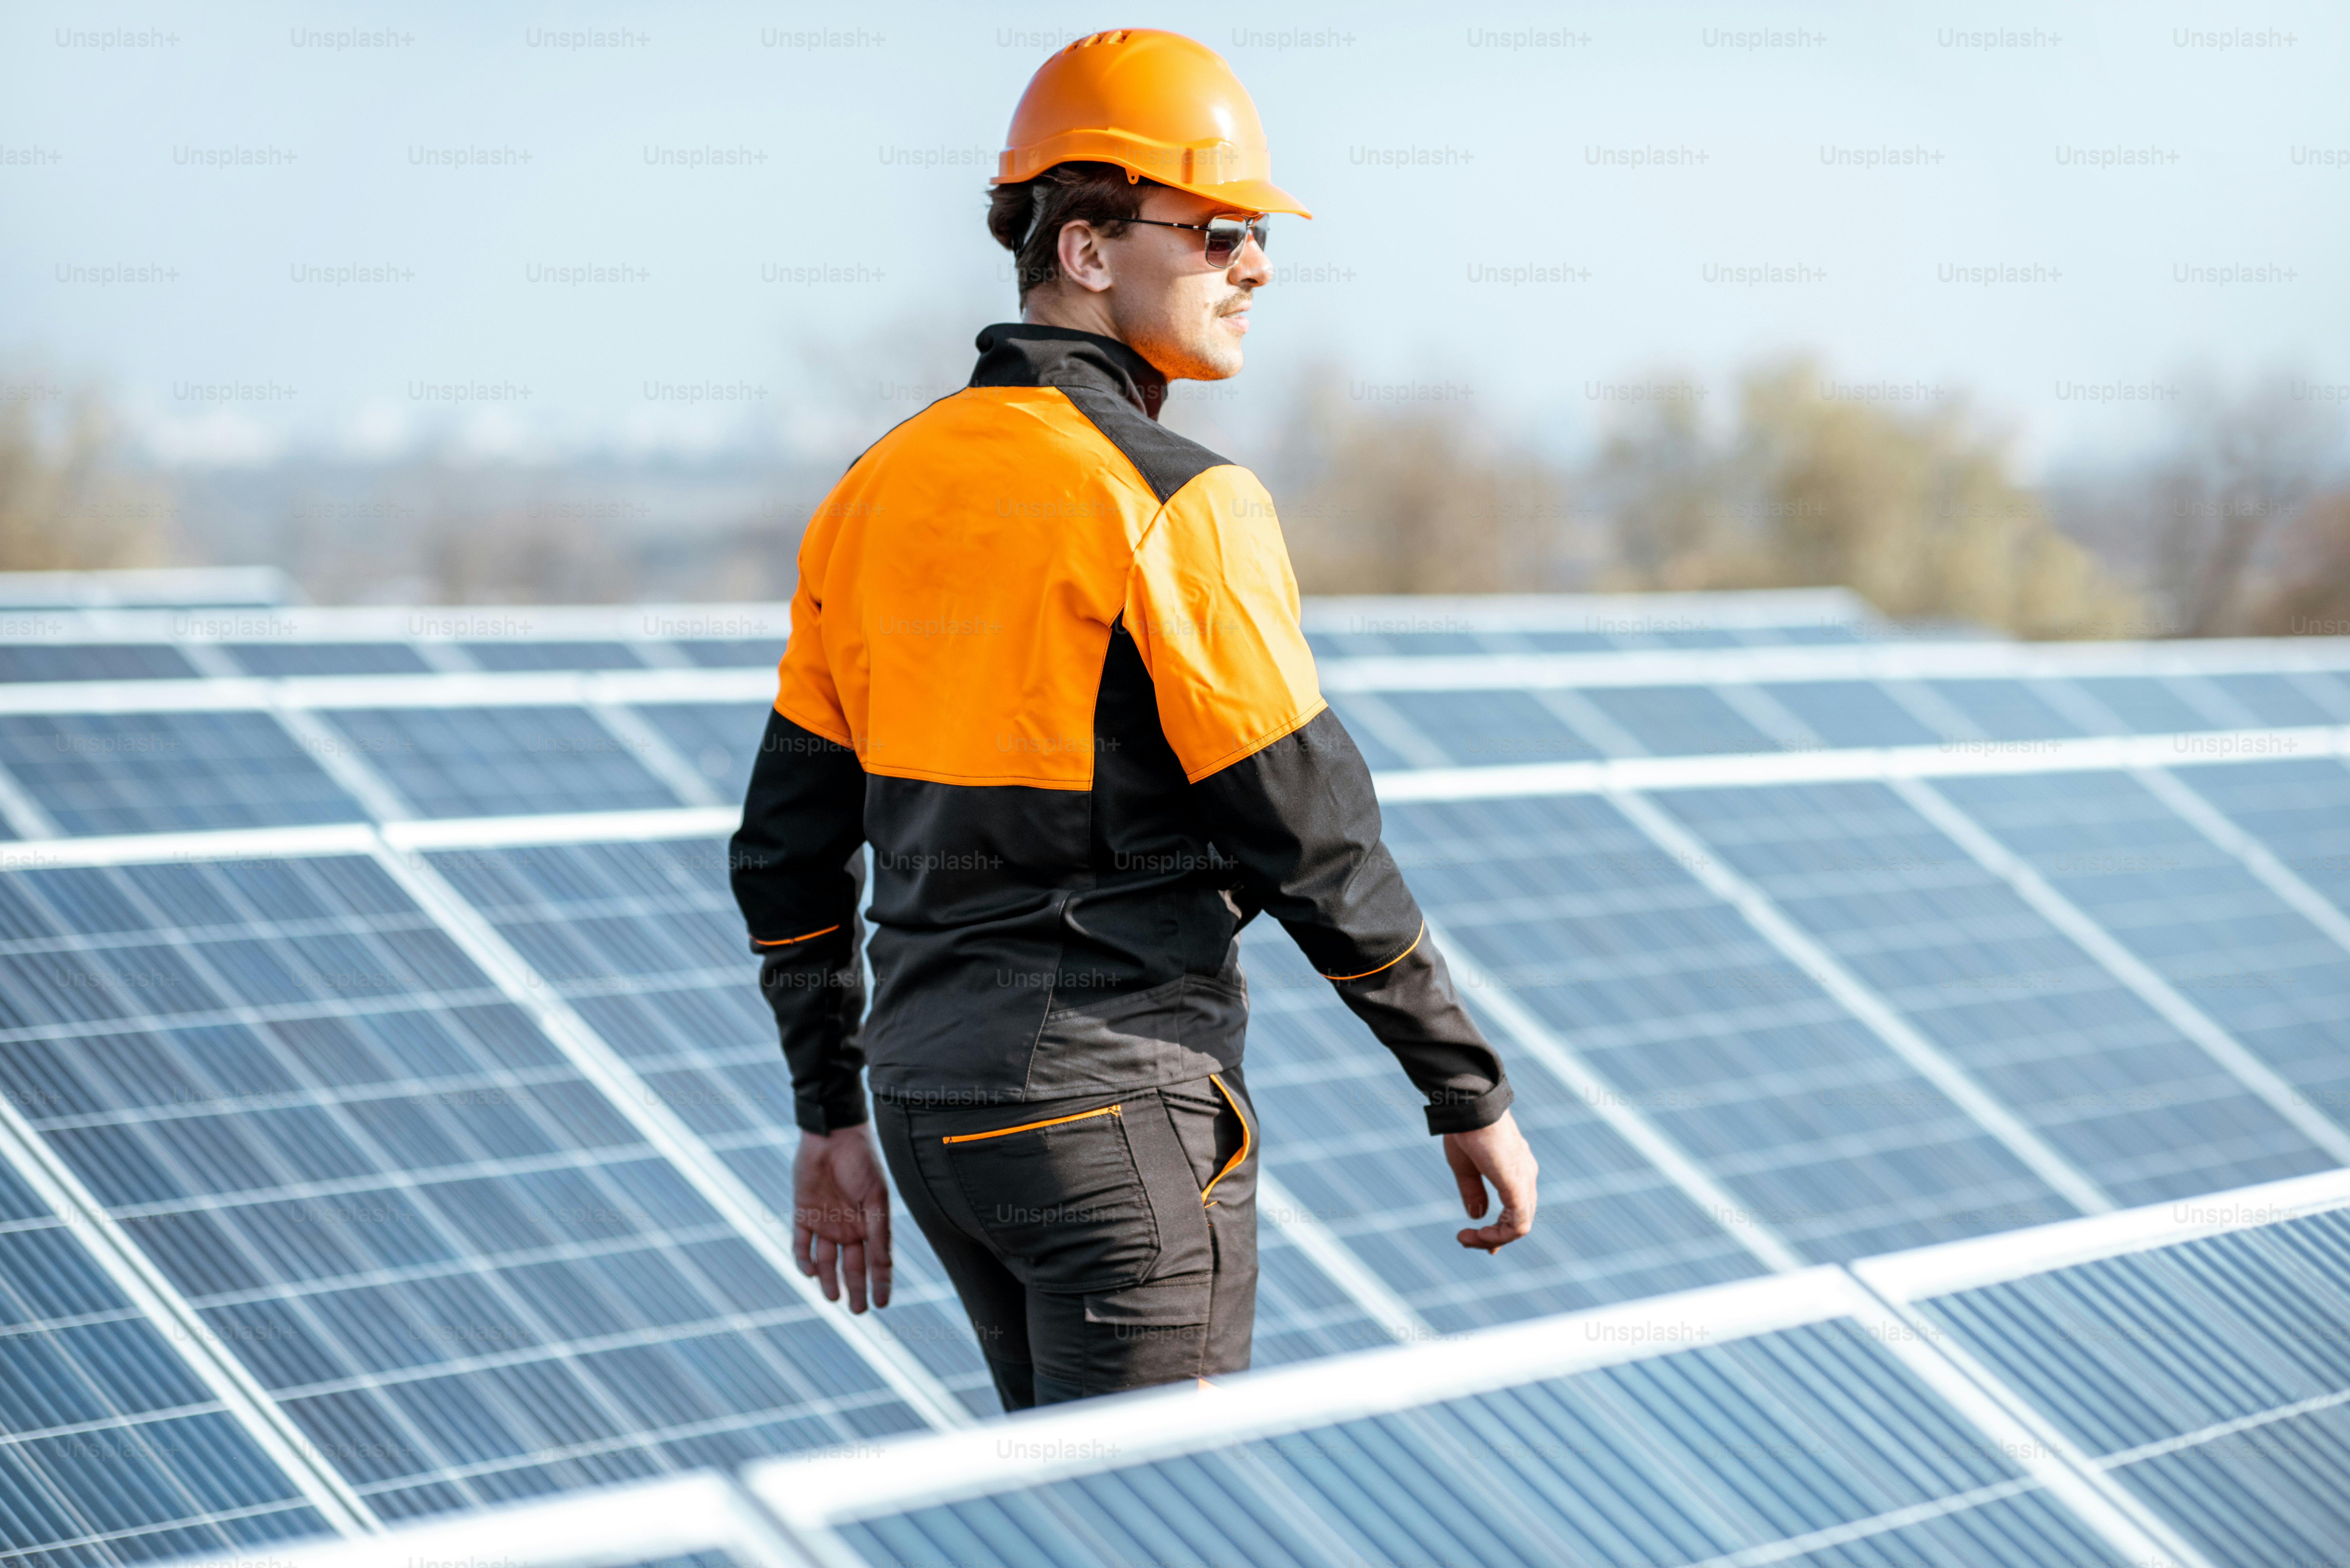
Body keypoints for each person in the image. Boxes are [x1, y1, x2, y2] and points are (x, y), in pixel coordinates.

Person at [731, 27, 1537, 1412]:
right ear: (1088, 251)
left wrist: (828, 1115)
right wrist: (1465, 1087)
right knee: (1160, 1526)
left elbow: (783, 858)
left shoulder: (876, 490)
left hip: (934, 1118)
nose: (1256, 265)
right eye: (1218, 230)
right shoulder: (1178, 498)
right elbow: (1313, 842)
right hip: (1111, 1106)